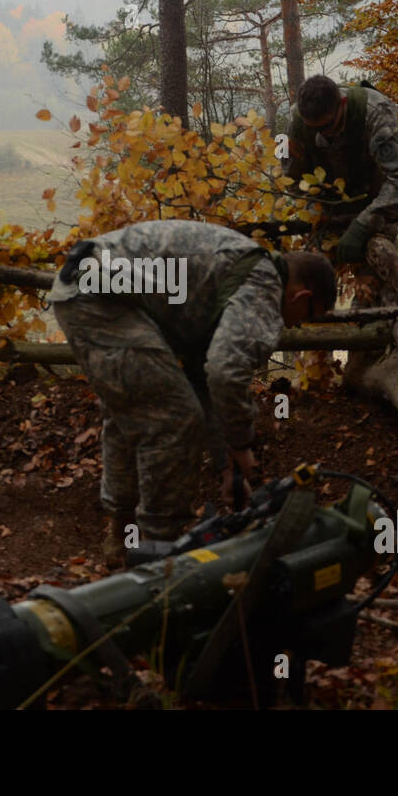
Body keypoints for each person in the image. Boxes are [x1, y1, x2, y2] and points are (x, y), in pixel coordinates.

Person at [47, 219, 337, 568]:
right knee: (175, 418)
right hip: (101, 299)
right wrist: (243, 445)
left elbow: (207, 381)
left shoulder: (242, 271)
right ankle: (157, 555)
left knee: (136, 412)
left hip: (85, 288)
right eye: (305, 316)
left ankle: (122, 541)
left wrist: (227, 467)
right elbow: (226, 373)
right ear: (301, 296)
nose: (294, 325)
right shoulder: (264, 287)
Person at [281, 75, 398, 291]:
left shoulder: (374, 111)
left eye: (327, 125)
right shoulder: (294, 122)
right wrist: (315, 215)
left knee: (377, 290)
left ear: (342, 105)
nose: (322, 134)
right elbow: (291, 179)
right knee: (308, 288)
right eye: (314, 128)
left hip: (375, 208)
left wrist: (364, 224)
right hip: (325, 215)